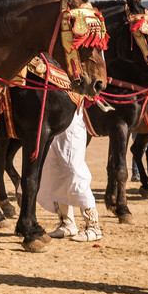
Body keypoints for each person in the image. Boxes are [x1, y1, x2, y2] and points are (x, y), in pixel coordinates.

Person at [37, 102, 103, 243]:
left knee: (73, 168)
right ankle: (67, 223)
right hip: (53, 117)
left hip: (72, 116)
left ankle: (93, 225)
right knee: (53, 167)